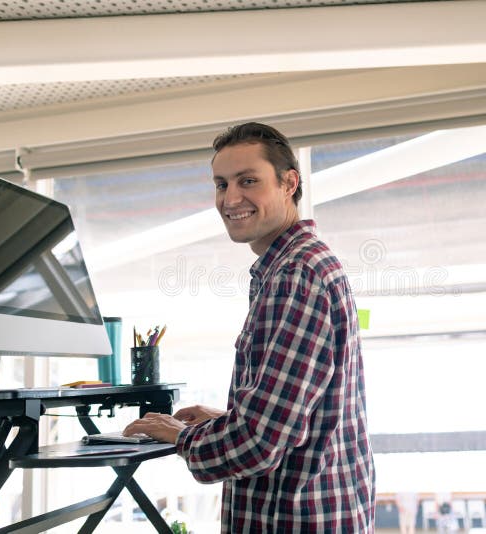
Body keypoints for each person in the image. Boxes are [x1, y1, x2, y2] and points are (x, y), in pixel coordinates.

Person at [123, 122, 376, 532]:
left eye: (248, 181)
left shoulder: (297, 274)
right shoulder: (290, 266)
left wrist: (179, 435)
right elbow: (295, 419)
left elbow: (259, 442)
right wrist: (226, 419)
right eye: (221, 184)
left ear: (289, 183)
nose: (230, 198)